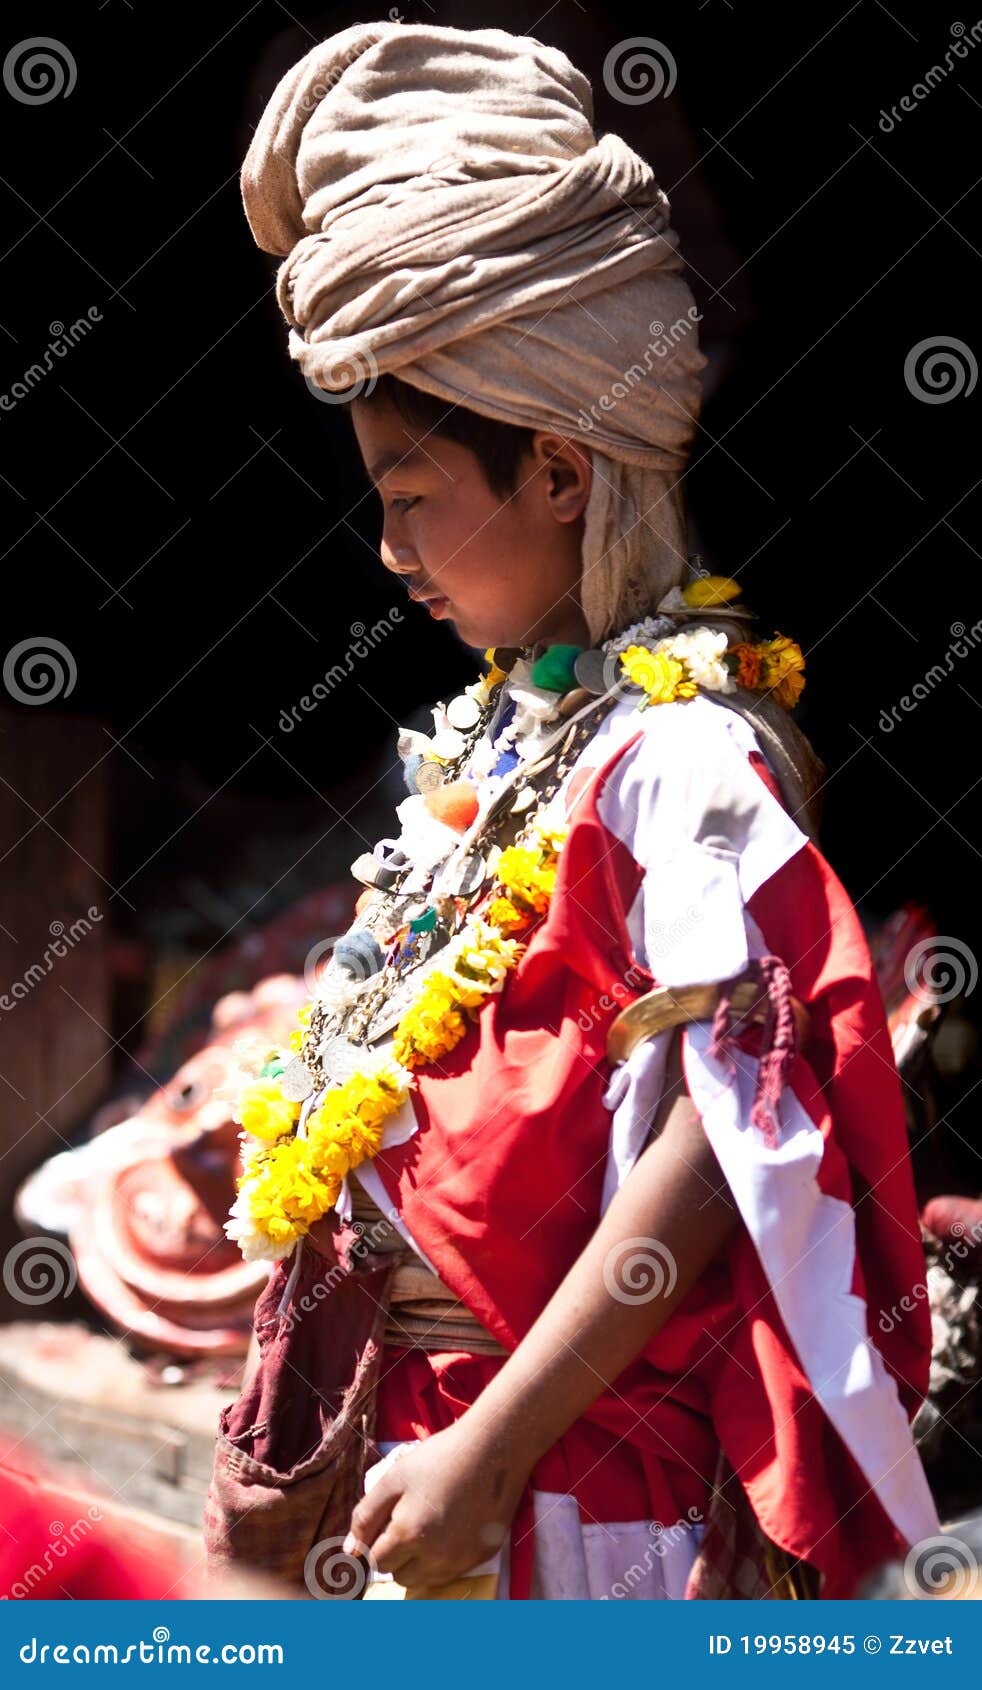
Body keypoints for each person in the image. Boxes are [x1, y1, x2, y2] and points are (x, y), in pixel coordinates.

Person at [205, 20, 939, 1601]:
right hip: (437, 1436)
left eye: (412, 496)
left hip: (567, 1487)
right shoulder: (512, 733)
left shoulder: (678, 758)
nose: (390, 551)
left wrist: (486, 1456)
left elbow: (726, 1138)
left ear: (553, 467)